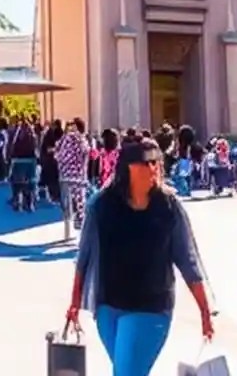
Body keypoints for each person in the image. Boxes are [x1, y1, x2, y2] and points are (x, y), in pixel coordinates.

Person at [64, 138, 213, 375]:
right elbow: (84, 258)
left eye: (156, 162)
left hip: (151, 308)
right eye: (146, 163)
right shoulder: (102, 205)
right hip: (108, 309)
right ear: (129, 167)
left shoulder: (168, 207)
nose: (153, 168)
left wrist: (204, 311)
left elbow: (188, 261)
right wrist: (74, 303)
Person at [56, 118, 91, 233]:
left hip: (65, 174)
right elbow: (86, 152)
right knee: (80, 200)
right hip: (79, 175)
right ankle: (79, 221)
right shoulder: (82, 139)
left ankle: (67, 227)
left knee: (67, 202)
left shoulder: (65, 138)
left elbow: (58, 153)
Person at [7, 119, 38, 212]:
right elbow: (36, 148)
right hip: (30, 161)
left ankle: (17, 201)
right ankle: (29, 203)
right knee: (30, 183)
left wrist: (11, 158)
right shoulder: (32, 136)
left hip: (18, 161)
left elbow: (13, 147)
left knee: (17, 183)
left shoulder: (17, 135)